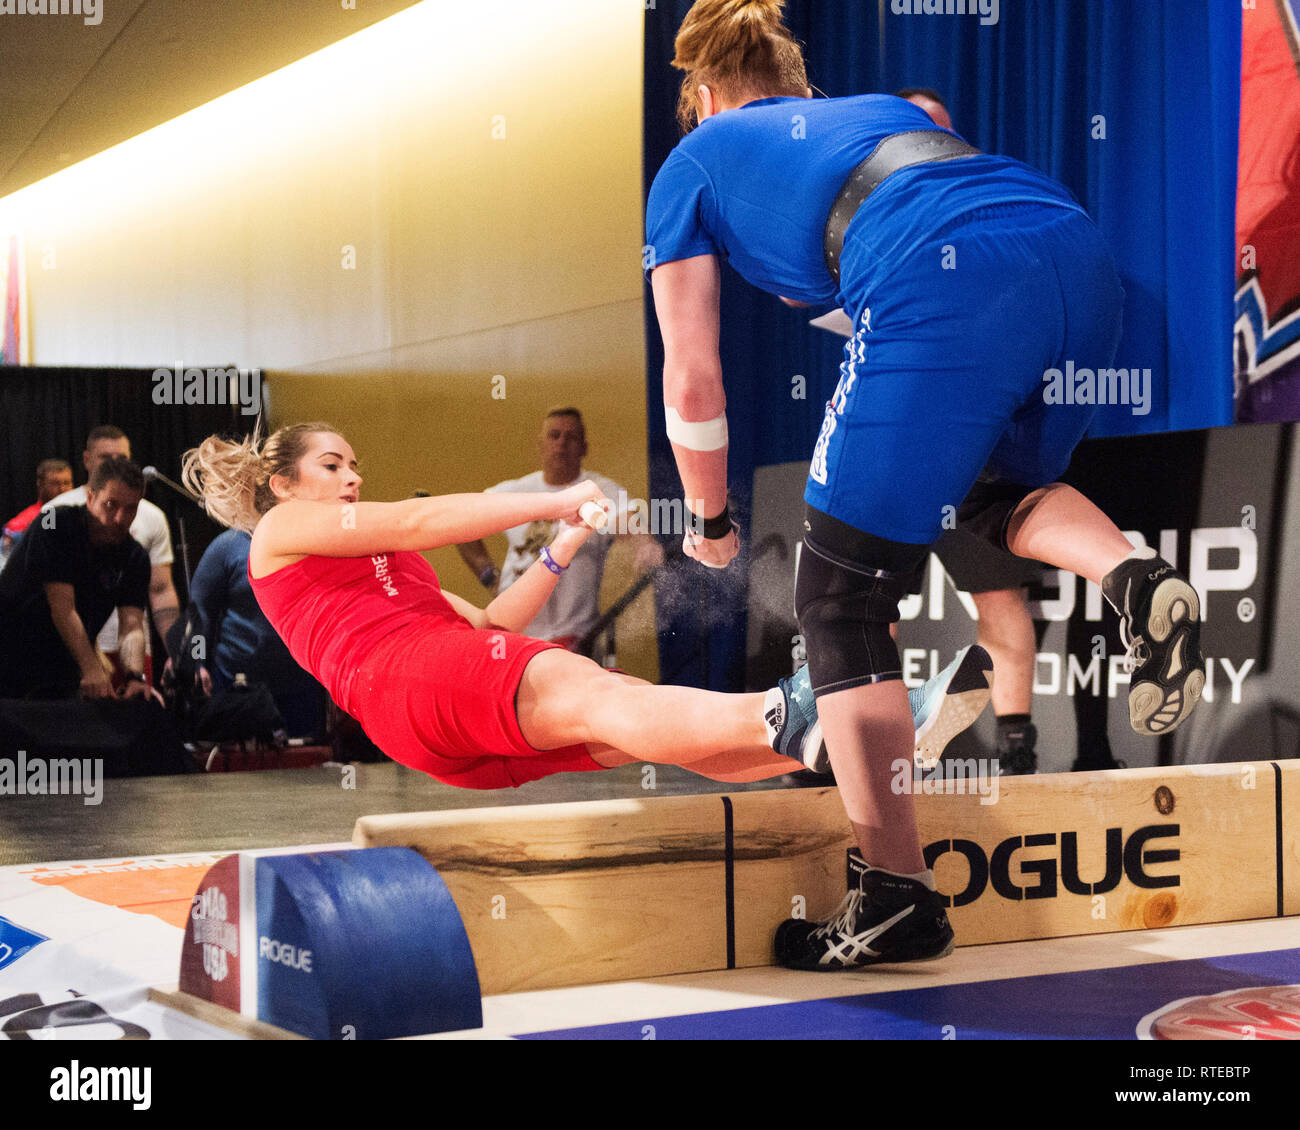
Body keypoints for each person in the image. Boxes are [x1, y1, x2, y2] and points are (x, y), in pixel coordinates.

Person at [645, 0, 1203, 969]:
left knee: (837, 598)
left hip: (942, 282)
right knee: (986, 494)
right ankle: (1134, 578)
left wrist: (710, 515)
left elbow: (692, 378)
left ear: (701, 97)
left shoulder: (694, 162)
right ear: (800, 87)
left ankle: (894, 892)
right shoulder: (860, 114)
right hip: (1072, 255)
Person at [181, 423, 987, 791]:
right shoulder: (279, 531)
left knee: (632, 715)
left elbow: (494, 624)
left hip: (427, 714)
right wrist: (561, 492)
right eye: (332, 465)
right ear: (282, 483)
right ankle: (809, 708)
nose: (353, 477)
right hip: (410, 684)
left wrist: (563, 542)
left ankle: (867, 747)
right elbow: (421, 519)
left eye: (357, 462)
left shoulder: (378, 570)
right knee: (608, 696)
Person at [891, 86, 1043, 777]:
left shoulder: (986, 208)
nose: (936, 138)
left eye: (945, 128)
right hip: (890, 438)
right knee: (865, 607)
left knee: (999, 599)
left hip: (970, 439)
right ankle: (870, 746)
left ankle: (1017, 753)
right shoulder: (873, 213)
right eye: (922, 127)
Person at [455, 408, 663, 652]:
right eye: (554, 435)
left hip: (573, 637)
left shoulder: (599, 490)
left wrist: (645, 545)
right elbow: (463, 521)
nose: (562, 443)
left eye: (571, 437)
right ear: (541, 445)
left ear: (584, 448)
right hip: (515, 633)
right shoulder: (516, 490)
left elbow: (627, 521)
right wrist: (489, 576)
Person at [0, 457, 156, 701]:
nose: (119, 518)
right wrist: (92, 667)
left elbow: (132, 626)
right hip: (10, 658)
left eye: (130, 509)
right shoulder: (54, 524)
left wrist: (134, 677)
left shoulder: (134, 557)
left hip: (63, 671)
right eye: (111, 504)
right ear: (90, 496)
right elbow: (62, 608)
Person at [48, 426, 181, 683]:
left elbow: (161, 590)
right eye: (106, 459)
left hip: (131, 644)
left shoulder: (151, 517)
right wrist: (89, 663)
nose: (120, 518)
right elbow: (57, 604)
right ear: (87, 460)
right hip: (66, 652)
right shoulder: (57, 513)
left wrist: (176, 652)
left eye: (122, 459)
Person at [183, 528, 327, 739]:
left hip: (300, 684)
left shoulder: (313, 543)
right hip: (236, 685)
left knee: (303, 765)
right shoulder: (227, 545)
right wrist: (196, 662)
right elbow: (199, 614)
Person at [1, 459, 74, 570]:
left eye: (67, 483)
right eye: (55, 483)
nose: (62, 489)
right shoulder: (30, 519)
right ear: (40, 484)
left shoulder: (78, 512)